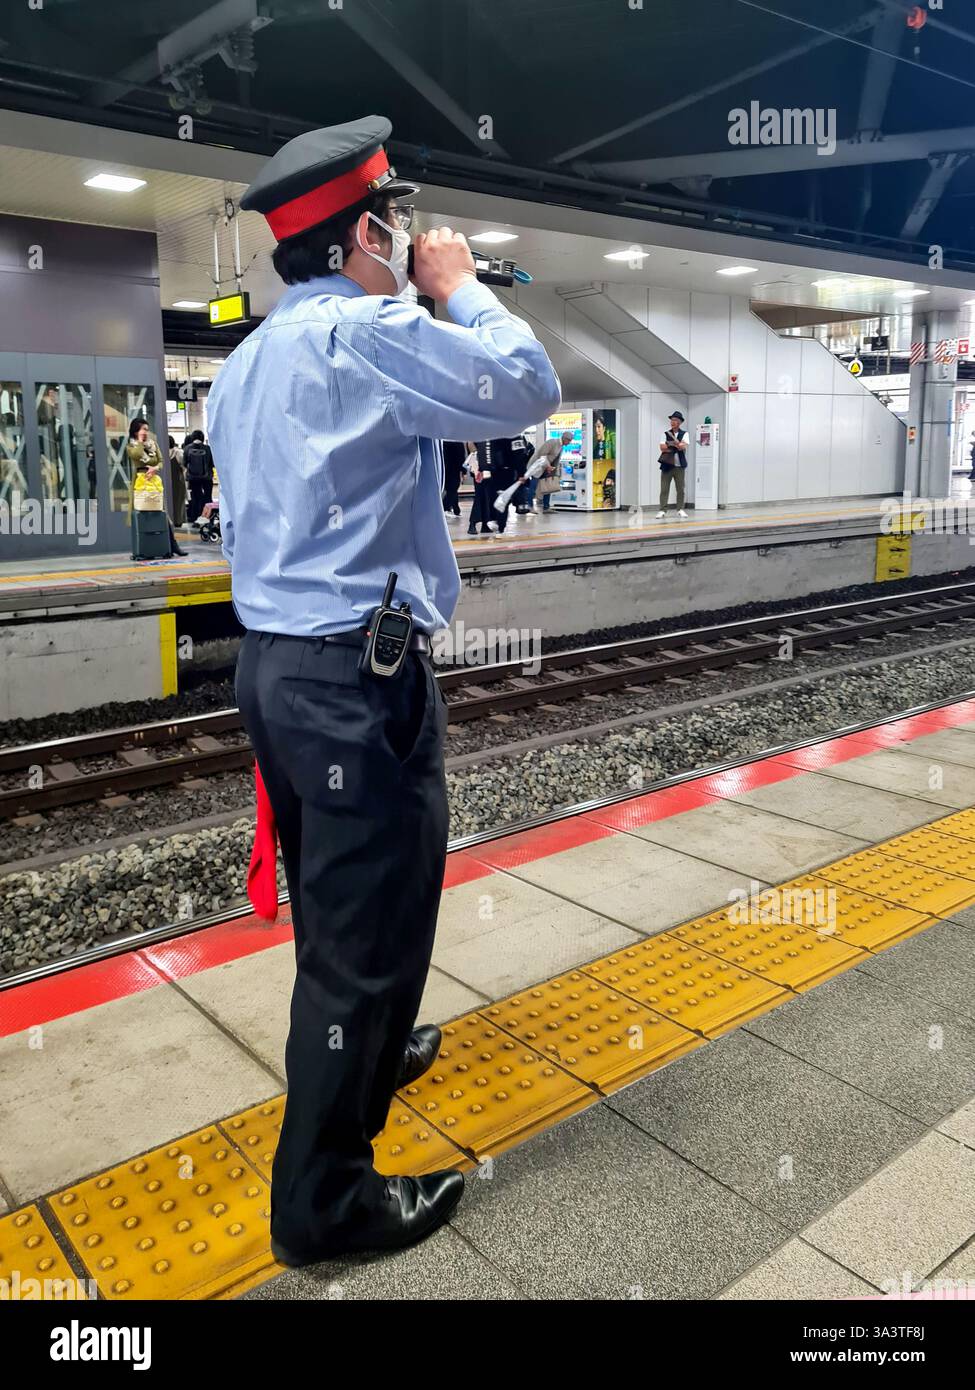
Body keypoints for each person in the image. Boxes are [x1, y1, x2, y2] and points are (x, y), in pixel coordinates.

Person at [207, 114, 561, 1265]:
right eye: (397, 222)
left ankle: (373, 1040)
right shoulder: (368, 333)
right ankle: (324, 1203)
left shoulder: (249, 360)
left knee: (337, 899)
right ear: (365, 232)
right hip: (355, 680)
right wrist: (459, 289)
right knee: (373, 917)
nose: (411, 238)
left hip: (277, 667)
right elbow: (525, 386)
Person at [126, 419, 187, 557]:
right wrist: (141, 442)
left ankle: (172, 545)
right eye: (143, 429)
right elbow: (136, 455)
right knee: (143, 514)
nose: (146, 432)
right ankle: (145, 548)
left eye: (147, 429)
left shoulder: (153, 444)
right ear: (136, 431)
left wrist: (155, 468)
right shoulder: (131, 445)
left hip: (154, 483)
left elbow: (161, 461)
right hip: (140, 482)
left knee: (162, 513)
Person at [527, 430, 571, 512]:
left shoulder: (561, 447)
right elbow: (542, 455)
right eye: (569, 441)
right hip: (537, 466)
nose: (569, 443)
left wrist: (555, 472)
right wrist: (548, 466)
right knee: (533, 486)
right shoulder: (552, 442)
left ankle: (546, 507)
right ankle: (529, 506)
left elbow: (556, 460)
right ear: (565, 439)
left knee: (548, 487)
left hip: (547, 468)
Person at [656, 409, 689, 519]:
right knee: (664, 488)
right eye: (672, 420)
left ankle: (680, 509)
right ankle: (662, 510)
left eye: (675, 420)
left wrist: (671, 445)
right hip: (667, 465)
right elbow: (662, 447)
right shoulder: (665, 433)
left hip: (679, 466)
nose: (672, 422)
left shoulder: (685, 434)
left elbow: (683, 446)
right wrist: (674, 444)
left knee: (680, 489)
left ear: (680, 422)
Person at [184, 428, 215, 523]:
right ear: (202, 438)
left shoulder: (187, 448)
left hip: (193, 478)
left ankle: (195, 517)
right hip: (207, 477)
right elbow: (212, 463)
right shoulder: (208, 448)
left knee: (195, 497)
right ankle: (208, 517)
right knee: (208, 497)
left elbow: (185, 463)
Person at [440, 439, 465, 517]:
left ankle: (456, 509)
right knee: (453, 489)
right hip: (454, 469)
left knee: (451, 489)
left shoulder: (443, 441)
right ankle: (444, 508)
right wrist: (463, 471)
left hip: (444, 468)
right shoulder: (458, 442)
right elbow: (461, 457)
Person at [168, 434, 187, 527]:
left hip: (166, 480)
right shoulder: (178, 452)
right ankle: (178, 520)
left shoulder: (161, 452)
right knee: (178, 501)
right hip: (178, 480)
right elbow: (183, 465)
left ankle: (169, 520)